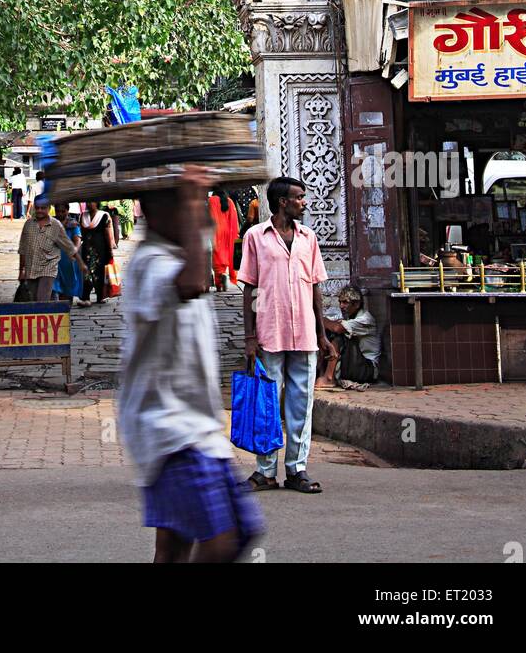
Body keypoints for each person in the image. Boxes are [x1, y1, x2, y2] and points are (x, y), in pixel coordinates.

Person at [117, 168, 263, 563]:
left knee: (176, 545)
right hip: (168, 427)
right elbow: (191, 284)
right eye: (184, 206)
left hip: (195, 425)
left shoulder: (179, 254)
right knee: (223, 539)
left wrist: (193, 204)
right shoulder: (150, 262)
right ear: (155, 211)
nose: (200, 215)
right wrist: (194, 198)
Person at [239, 175, 335, 495]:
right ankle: (265, 470)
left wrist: (322, 334)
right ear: (283, 202)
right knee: (267, 404)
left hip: (305, 333)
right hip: (270, 332)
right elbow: (250, 288)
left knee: (300, 404)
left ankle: (297, 469)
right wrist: (249, 337)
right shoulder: (256, 236)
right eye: (299, 197)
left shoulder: (308, 238)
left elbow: (316, 288)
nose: (303, 202)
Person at [18, 194, 85, 301]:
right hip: (33, 267)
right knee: (35, 298)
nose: (39, 210)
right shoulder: (29, 224)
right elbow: (23, 248)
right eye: (37, 207)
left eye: (43, 208)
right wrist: (22, 270)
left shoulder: (62, 225)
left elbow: (72, 243)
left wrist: (79, 260)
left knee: (48, 296)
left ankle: (59, 309)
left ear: (48, 209)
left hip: (56, 265)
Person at [318, 286, 380, 390]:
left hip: (368, 369)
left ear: (356, 304)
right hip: (356, 365)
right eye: (340, 302)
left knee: (339, 335)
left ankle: (329, 378)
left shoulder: (365, 319)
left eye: (345, 302)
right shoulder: (350, 317)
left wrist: (321, 319)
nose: (341, 306)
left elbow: (337, 328)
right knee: (326, 333)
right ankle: (320, 372)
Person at [79, 200, 116, 305]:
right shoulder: (83, 216)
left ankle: (100, 296)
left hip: (100, 249)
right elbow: (82, 232)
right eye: (88, 202)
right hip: (86, 248)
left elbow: (107, 233)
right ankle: (85, 297)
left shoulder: (104, 216)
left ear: (97, 203)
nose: (90, 204)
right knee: (86, 272)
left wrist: (110, 249)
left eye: (92, 202)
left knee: (99, 272)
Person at [208, 189, 239, 291]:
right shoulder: (229, 201)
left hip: (217, 230)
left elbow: (211, 217)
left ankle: (220, 279)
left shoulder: (212, 200)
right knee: (227, 252)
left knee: (217, 254)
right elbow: (235, 220)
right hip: (228, 231)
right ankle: (225, 274)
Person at [52, 202, 83, 302]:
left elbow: (77, 239)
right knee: (55, 285)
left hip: (68, 260)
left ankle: (65, 308)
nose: (60, 213)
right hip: (54, 259)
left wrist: (74, 252)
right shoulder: (51, 222)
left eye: (63, 211)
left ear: (67, 210)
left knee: (69, 286)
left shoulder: (73, 224)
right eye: (58, 211)